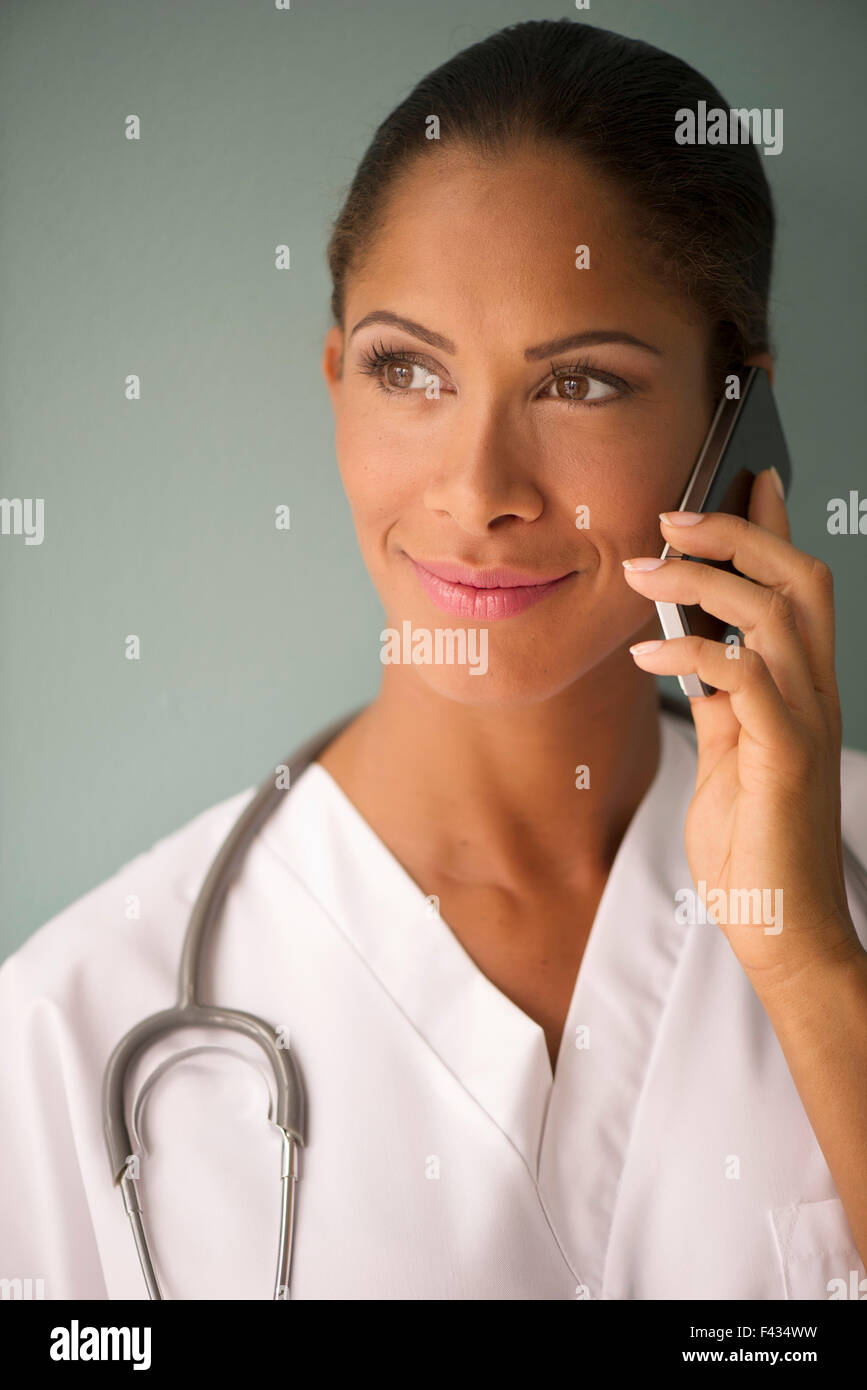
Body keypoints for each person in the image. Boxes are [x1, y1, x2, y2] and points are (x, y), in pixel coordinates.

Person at [1, 18, 865, 1302]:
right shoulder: (66, 1029)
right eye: (408, 369)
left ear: (737, 418)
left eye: (581, 385)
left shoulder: (839, 877)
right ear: (335, 377)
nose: (478, 491)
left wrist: (806, 961)